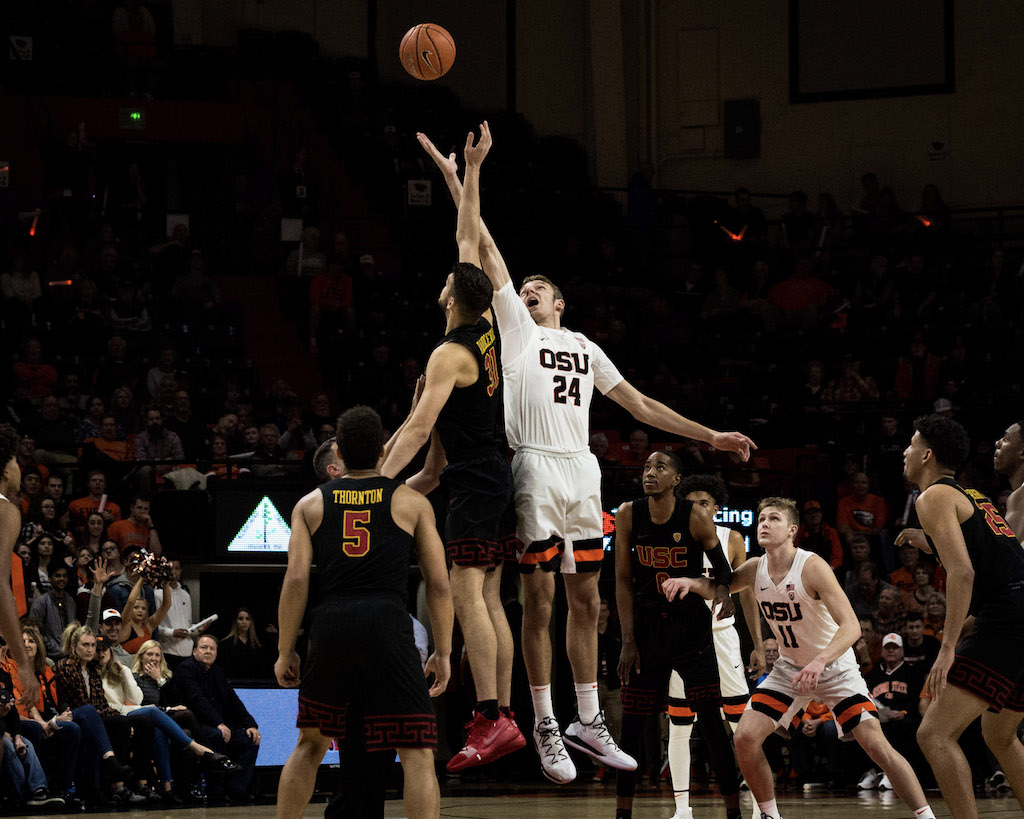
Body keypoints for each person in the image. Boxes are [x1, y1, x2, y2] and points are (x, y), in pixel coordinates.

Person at [417, 124, 755, 784]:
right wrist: (464, 175)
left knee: (586, 601)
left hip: (583, 469)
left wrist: (708, 436)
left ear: (563, 303)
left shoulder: (585, 347)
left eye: (541, 285)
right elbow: (477, 241)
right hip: (534, 463)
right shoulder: (510, 323)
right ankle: (541, 720)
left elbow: (640, 405)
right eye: (526, 284)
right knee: (537, 601)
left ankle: (585, 717)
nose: (529, 288)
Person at [380, 126, 523, 772]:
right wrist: (463, 170)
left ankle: (490, 716)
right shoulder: (486, 322)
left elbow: (415, 432)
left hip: (476, 483)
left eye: (446, 282)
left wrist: (371, 478)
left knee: (468, 595)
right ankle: (503, 716)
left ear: (452, 299)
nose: (442, 281)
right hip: (491, 473)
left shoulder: (448, 354)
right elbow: (468, 238)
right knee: (489, 600)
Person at [662, 497, 935, 819]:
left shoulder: (811, 566)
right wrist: (689, 582)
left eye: (773, 519)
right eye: (761, 518)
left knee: (877, 746)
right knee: (746, 737)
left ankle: (925, 815)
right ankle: (769, 814)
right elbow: (717, 586)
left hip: (834, 668)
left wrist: (820, 662)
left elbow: (851, 627)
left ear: (792, 530)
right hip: (790, 669)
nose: (764, 523)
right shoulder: (754, 568)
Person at [274, 405, 454, 819]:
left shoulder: (309, 504)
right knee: (417, 753)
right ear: (380, 451)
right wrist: (442, 651)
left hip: (332, 623)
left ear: (341, 455)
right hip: (389, 624)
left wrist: (286, 650)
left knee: (310, 744)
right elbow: (440, 585)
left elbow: (297, 582)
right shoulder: (411, 502)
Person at [896, 414, 1024, 817]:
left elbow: (963, 572)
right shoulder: (973, 496)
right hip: (1019, 610)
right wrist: (930, 540)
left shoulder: (931, 498)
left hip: (1007, 614)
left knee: (933, 734)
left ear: (927, 455)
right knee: (999, 733)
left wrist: (948, 646)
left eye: (911, 444)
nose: (905, 451)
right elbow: (986, 556)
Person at [614, 452, 740, 819]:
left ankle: (733, 811)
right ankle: (622, 813)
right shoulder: (627, 514)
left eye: (660, 468)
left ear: (675, 480)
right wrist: (627, 639)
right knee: (633, 728)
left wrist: (722, 592)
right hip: (646, 629)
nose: (650, 473)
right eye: (646, 468)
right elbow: (622, 580)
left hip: (690, 630)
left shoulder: (695, 516)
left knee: (713, 726)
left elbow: (723, 571)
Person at [666, 474, 760, 819]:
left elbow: (747, 592)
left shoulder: (731, 537)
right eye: (691, 503)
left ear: (717, 508)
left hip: (722, 637)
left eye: (704, 502)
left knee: (741, 723)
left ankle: (762, 804)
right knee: (679, 724)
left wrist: (758, 645)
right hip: (681, 639)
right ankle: (681, 808)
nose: (697, 509)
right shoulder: (673, 536)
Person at [96, 635, 240, 802]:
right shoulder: (134, 676)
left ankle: (175, 786)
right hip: (140, 716)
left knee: (182, 723)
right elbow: (138, 702)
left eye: (157, 655)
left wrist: (159, 679)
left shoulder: (166, 676)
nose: (153, 658)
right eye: (149, 654)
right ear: (141, 656)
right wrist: (164, 708)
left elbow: (176, 699)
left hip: (157, 718)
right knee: (175, 721)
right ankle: (204, 753)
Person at [175, 635, 260, 802]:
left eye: (212, 649)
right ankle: (216, 790)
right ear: (194, 651)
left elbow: (234, 701)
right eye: (204, 648)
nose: (208, 651)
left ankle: (237, 789)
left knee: (249, 739)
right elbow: (197, 700)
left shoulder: (217, 671)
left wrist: (250, 724)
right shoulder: (186, 669)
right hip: (195, 725)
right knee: (218, 735)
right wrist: (219, 723)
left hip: (217, 724)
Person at [0, 428, 41, 707]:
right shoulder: (6, 510)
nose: (19, 468)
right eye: (15, 460)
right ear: (4, 470)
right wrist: (24, 665)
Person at [860, 633, 927, 791]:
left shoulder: (912, 673)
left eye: (895, 648)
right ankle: (874, 773)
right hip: (878, 717)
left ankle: (892, 774)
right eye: (888, 648)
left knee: (903, 727)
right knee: (863, 728)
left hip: (903, 717)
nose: (891, 651)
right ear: (882, 652)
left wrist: (904, 712)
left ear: (902, 651)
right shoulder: (874, 674)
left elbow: (917, 700)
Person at [155, 558, 198, 668]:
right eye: (170, 568)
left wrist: (197, 628)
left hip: (187, 651)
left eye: (177, 568)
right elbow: (153, 625)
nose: (174, 572)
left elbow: (187, 624)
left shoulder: (185, 595)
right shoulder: (157, 594)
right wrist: (171, 632)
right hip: (168, 650)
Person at [28, 564, 77, 659]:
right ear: (50, 578)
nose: (61, 579)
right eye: (58, 576)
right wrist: (49, 645)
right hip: (49, 656)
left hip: (70, 655)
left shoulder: (70, 601)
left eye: (64, 576)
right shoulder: (41, 602)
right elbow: (33, 630)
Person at [118, 575, 172, 655]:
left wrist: (166, 582)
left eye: (143, 608)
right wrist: (141, 578)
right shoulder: (124, 625)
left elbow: (166, 605)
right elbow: (130, 602)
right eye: (136, 607)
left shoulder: (148, 626)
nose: (140, 611)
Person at [218, 607, 269, 680]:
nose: (244, 622)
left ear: (251, 622)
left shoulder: (257, 645)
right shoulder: (226, 644)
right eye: (241, 619)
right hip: (234, 684)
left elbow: (261, 670)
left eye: (247, 619)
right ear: (235, 621)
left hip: (255, 685)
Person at [993, 419, 1024, 536]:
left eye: (1005, 439)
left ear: (1022, 452)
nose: (997, 443)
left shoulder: (1020, 497)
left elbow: (1009, 551)